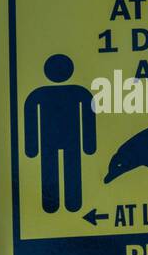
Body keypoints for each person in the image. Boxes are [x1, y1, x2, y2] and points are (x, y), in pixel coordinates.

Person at [24, 54, 96, 213]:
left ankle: (73, 203)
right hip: (52, 142)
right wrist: (31, 147)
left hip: (66, 141)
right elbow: (30, 118)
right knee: (52, 173)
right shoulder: (39, 95)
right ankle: (52, 205)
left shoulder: (79, 93)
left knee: (70, 171)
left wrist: (90, 144)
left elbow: (88, 117)